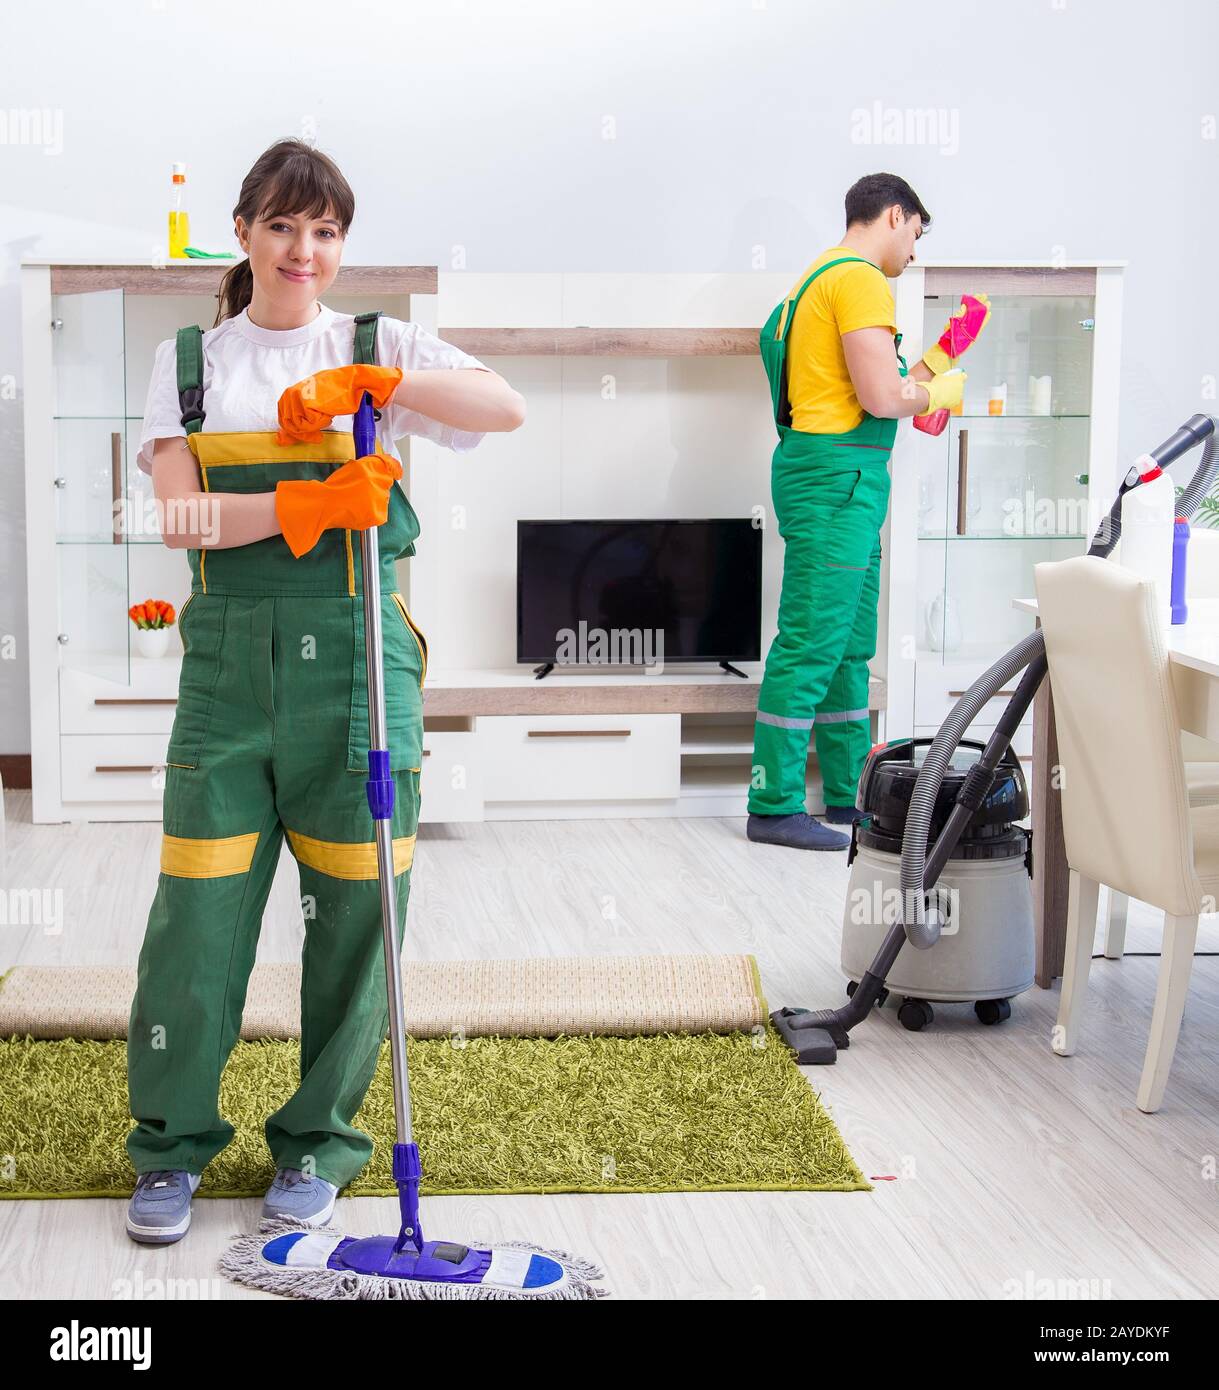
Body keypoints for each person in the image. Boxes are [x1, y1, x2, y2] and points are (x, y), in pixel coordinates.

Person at [124, 138, 525, 1245]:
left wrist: (382, 386)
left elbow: (506, 409)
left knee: (358, 913)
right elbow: (181, 519)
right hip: (225, 671)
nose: (304, 250)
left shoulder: (375, 340)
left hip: (358, 664)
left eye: (327, 231)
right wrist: (308, 503)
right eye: (284, 226)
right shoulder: (190, 364)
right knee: (195, 916)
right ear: (245, 230)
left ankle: (318, 1143)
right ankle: (168, 1146)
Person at [748, 172, 989, 851]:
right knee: (811, 642)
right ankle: (772, 806)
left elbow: (883, 385)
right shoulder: (857, 279)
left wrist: (946, 351)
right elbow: (887, 398)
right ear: (893, 215)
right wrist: (940, 388)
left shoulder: (813, 281)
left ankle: (850, 795)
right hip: (836, 477)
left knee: (850, 647)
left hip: (843, 475)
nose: (912, 252)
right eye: (914, 234)